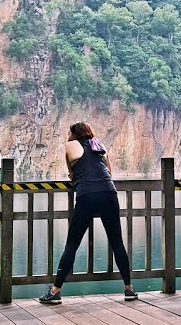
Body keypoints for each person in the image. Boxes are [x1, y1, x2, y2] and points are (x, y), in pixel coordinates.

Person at [40, 122, 137, 304]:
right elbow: (109, 170)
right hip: (109, 193)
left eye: (70, 132)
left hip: (87, 195)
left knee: (72, 244)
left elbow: (72, 173)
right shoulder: (99, 144)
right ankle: (129, 288)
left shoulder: (70, 145)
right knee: (117, 242)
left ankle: (55, 291)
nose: (68, 135)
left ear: (74, 133)